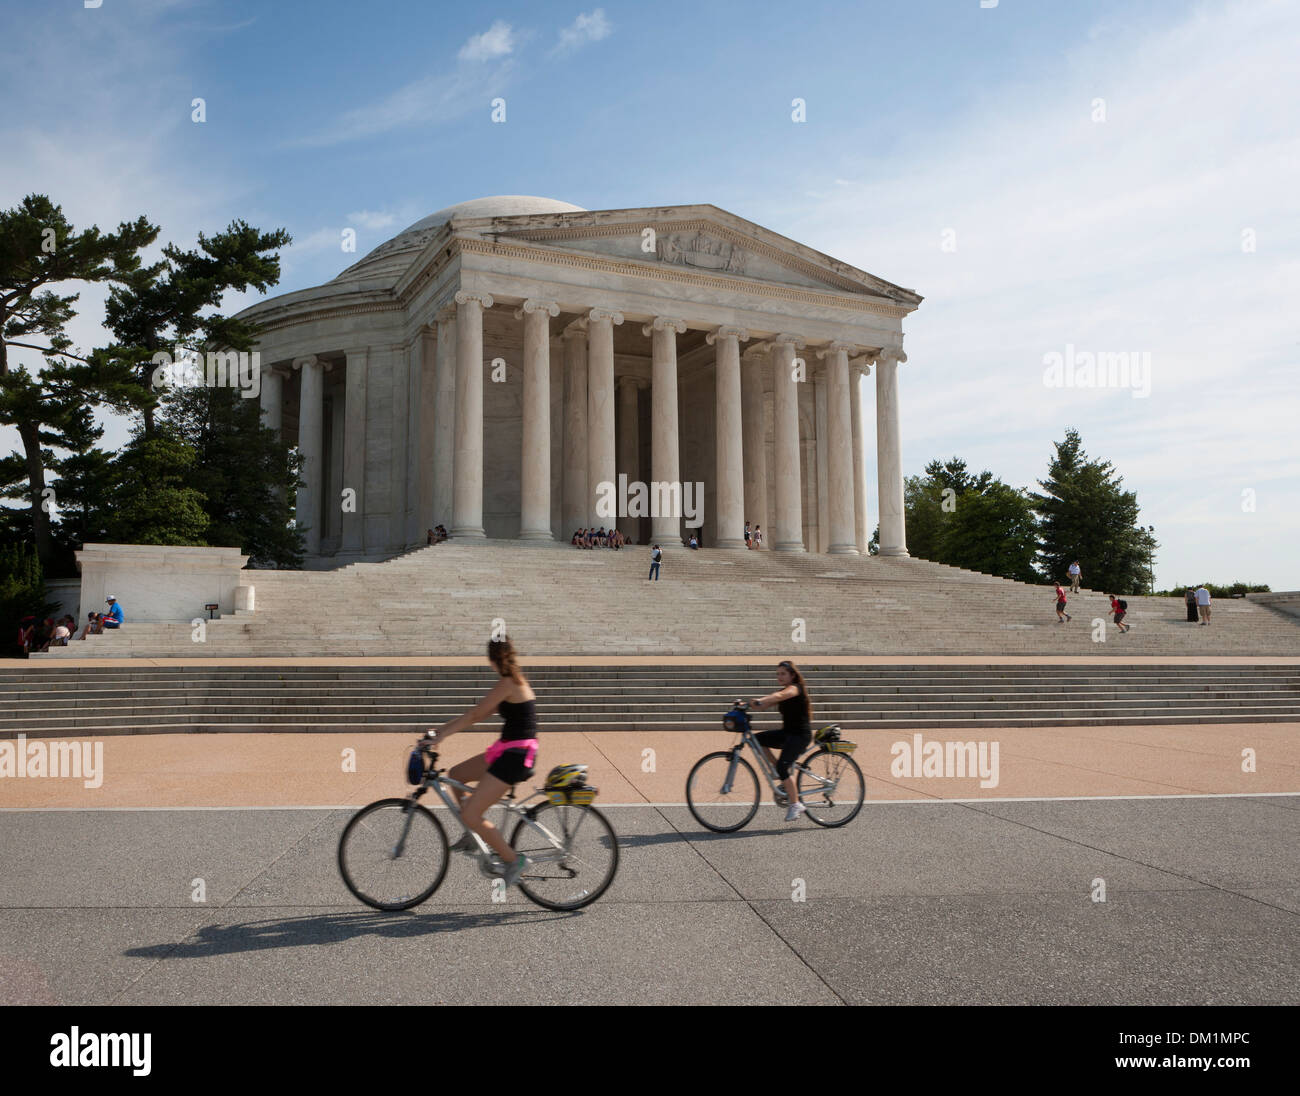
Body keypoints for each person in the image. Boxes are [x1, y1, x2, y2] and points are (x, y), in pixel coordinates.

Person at [420, 636, 536, 887]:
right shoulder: (513, 681)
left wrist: (440, 734)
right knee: (456, 775)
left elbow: (475, 715)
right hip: (506, 750)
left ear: (493, 660)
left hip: (514, 757)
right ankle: (473, 834)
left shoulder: (508, 683)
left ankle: (513, 860)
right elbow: (477, 715)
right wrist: (441, 733)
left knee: (472, 812)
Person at [751, 660, 814, 822]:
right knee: (757, 740)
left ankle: (795, 804)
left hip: (800, 735)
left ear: (792, 675)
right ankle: (781, 771)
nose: (779, 676)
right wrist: (745, 705)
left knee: (782, 766)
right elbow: (764, 705)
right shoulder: (783, 691)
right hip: (788, 734)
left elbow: (780, 696)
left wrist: (762, 699)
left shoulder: (794, 689)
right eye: (778, 673)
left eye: (783, 673)